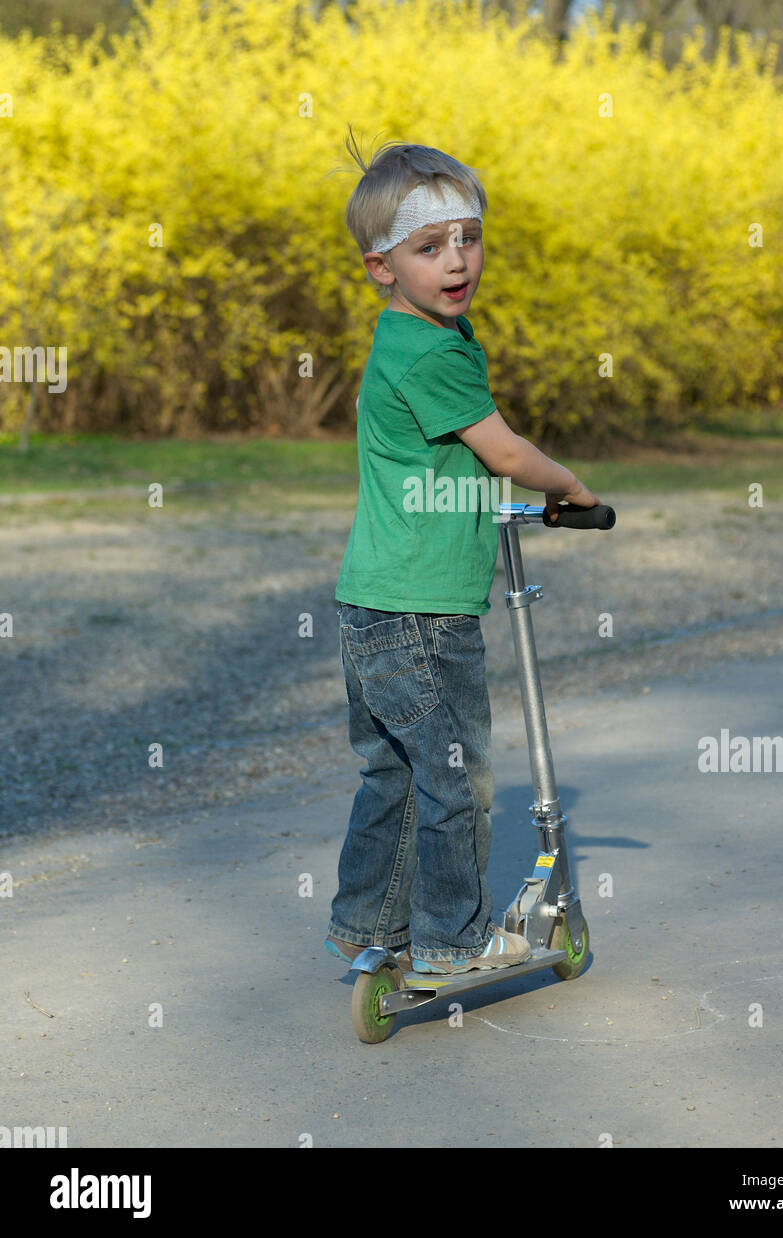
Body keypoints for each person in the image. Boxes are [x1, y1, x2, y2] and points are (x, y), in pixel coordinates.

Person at [324, 133, 600, 975]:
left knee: (396, 776)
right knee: (457, 779)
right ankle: (451, 940)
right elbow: (506, 453)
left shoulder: (411, 337)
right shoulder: (434, 352)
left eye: (468, 239)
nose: (457, 261)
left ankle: (374, 926)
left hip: (374, 598)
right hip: (422, 612)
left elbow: (442, 465)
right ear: (382, 267)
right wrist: (573, 491)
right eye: (430, 247)